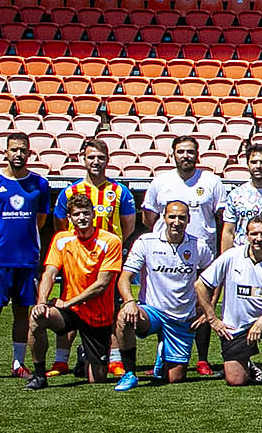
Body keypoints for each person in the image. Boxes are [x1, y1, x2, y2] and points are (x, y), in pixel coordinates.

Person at [51, 136, 139, 375]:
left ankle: (114, 358)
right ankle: (61, 360)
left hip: (108, 261)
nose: (96, 162)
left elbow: (128, 226)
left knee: (110, 310)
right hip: (76, 262)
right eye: (91, 157)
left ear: (108, 160)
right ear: (83, 159)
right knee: (71, 308)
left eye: (101, 157)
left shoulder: (120, 191)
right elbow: (60, 225)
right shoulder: (70, 192)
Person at [0, 132, 53, 382]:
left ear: (29, 153)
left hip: (27, 260)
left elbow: (40, 219)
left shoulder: (39, 184)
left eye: (23, 150)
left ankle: (18, 363)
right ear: (5, 152)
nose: (19, 154)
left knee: (22, 312)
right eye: (14, 149)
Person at [115, 198, 216, 390]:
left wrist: (207, 309)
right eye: (172, 217)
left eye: (181, 218)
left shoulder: (199, 246)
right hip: (152, 311)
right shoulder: (146, 242)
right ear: (164, 218)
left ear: (188, 220)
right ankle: (129, 373)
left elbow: (215, 278)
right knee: (124, 317)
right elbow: (125, 277)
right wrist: (129, 301)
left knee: (175, 378)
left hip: (181, 317)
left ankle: (164, 353)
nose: (176, 222)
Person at [144, 135, 224, 374]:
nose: (185, 156)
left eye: (190, 151)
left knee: (203, 304)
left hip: (202, 254)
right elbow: (149, 215)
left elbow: (221, 219)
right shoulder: (161, 181)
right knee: (166, 306)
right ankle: (164, 354)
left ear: (197, 155)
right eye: (181, 151)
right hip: (168, 253)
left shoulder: (211, 181)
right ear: (173, 154)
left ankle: (202, 359)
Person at [24, 196, 122, 389]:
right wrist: (41, 301)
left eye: (86, 213)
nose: (82, 218)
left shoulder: (110, 241)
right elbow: (50, 273)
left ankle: (84, 356)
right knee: (37, 317)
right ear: (69, 218)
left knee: (97, 380)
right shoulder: (61, 239)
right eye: (76, 214)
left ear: (93, 215)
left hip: (97, 314)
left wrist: (67, 303)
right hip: (69, 311)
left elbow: (102, 284)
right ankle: (39, 375)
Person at [196, 214, 262, 389]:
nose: (259, 239)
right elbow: (200, 284)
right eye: (254, 234)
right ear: (246, 235)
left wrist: (261, 321)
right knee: (236, 381)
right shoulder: (231, 256)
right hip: (236, 328)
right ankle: (249, 365)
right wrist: (213, 320)